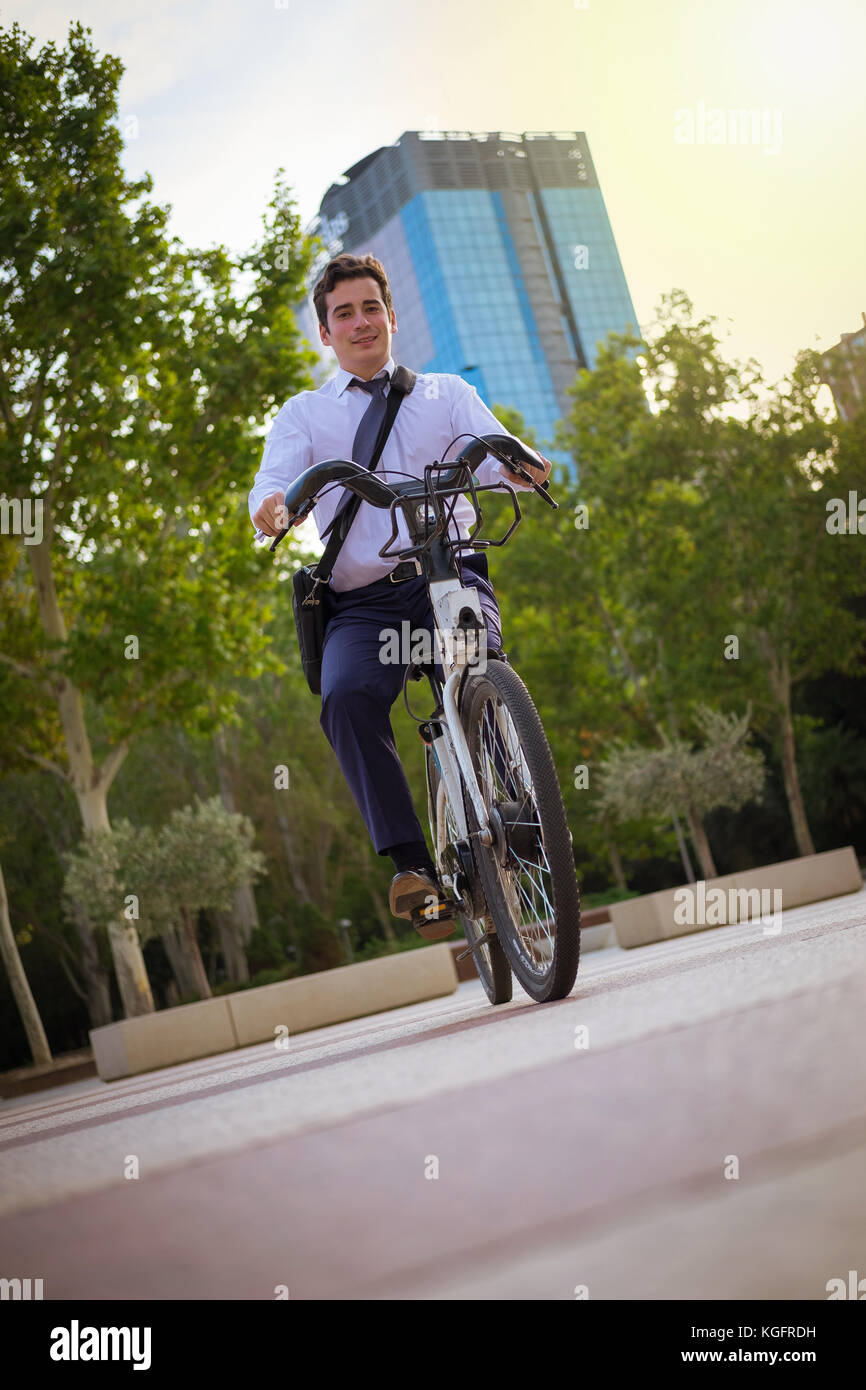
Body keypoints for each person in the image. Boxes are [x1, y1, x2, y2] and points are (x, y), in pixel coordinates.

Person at [250, 253, 551, 939]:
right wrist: (272, 508)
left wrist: (527, 468)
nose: (360, 323)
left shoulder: (445, 395)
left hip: (449, 574)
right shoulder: (305, 415)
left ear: (392, 315)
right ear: (325, 333)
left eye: (370, 309)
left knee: (478, 665)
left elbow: (505, 456)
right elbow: (272, 487)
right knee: (348, 695)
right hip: (366, 604)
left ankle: (520, 803)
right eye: (343, 314)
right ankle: (413, 865)